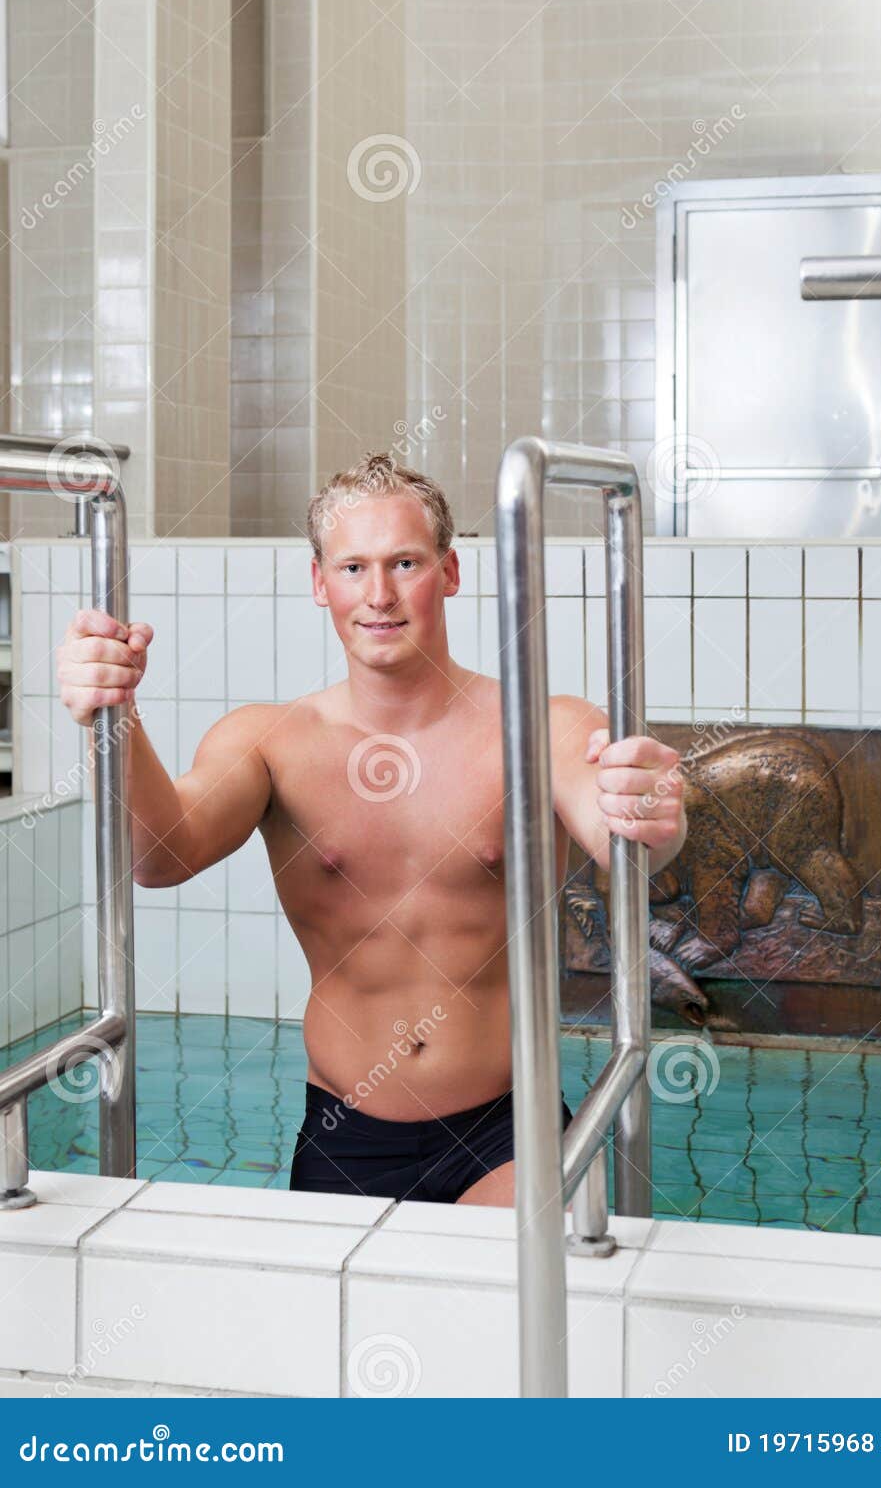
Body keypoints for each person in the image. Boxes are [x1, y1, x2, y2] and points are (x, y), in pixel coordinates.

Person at [56, 454, 687, 1205]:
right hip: (345, 1132)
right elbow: (160, 857)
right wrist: (112, 716)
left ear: (449, 572)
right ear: (320, 583)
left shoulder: (540, 727)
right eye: (353, 567)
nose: (379, 595)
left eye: (405, 563)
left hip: (504, 1130)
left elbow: (626, 846)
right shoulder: (271, 741)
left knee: (508, 1309)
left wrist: (644, 813)